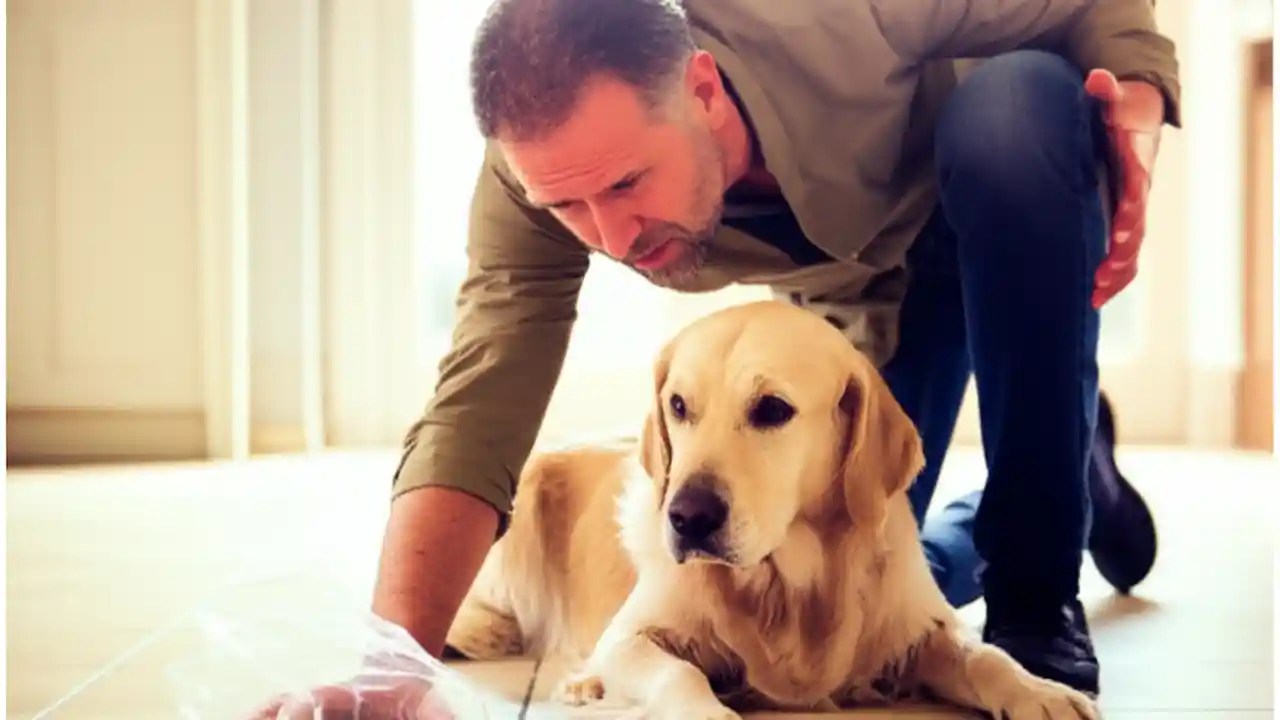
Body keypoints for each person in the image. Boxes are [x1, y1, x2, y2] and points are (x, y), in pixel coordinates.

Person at [372, 0, 1176, 708]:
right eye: (569, 207)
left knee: (1017, 103)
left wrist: (1137, 106)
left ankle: (1037, 583)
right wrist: (387, 671)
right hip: (863, 317)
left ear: (703, 88)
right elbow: (479, 396)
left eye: (626, 184)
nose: (611, 239)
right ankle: (1074, 473)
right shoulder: (545, 161)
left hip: (999, 195)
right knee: (858, 570)